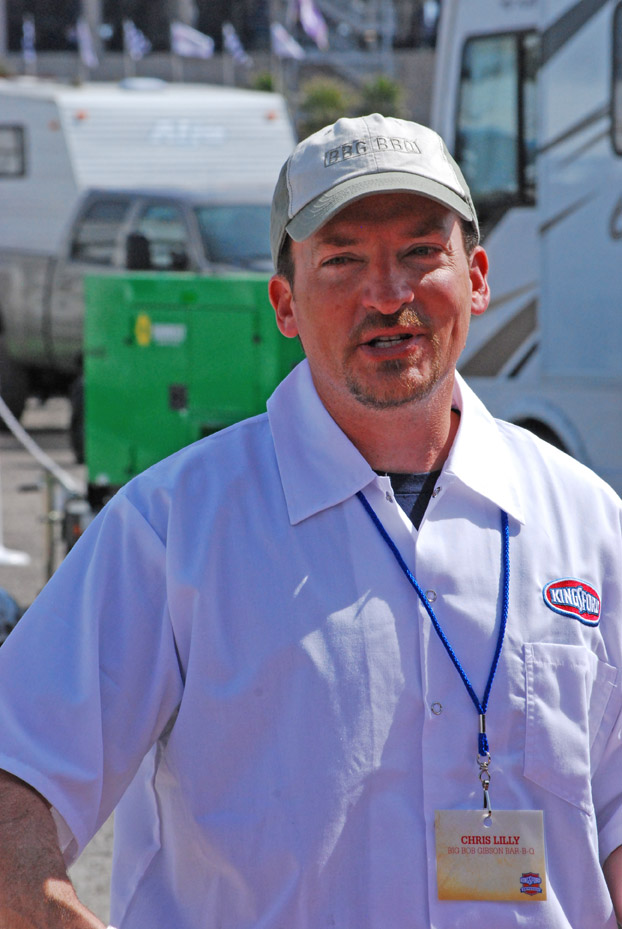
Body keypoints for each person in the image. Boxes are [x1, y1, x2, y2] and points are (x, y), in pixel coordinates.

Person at [0, 113, 621, 929]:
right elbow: (18, 785)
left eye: (419, 254)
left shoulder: (588, 524)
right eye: (342, 260)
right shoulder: (173, 528)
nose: (388, 293)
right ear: (285, 303)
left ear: (475, 276)